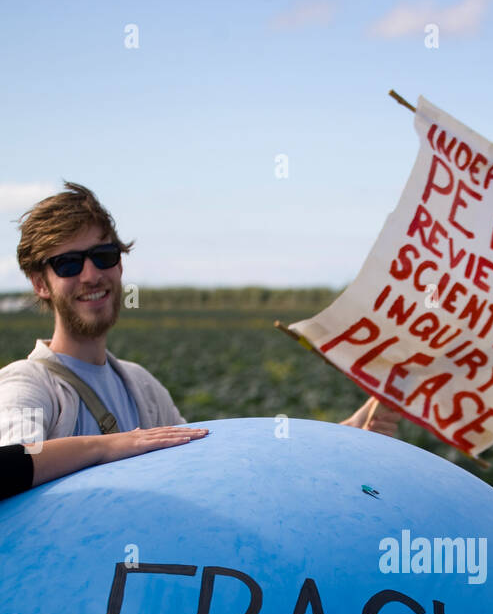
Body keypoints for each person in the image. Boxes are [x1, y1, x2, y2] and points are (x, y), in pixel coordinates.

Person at [0, 181, 399, 448]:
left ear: (119, 267)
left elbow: (210, 463)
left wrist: (344, 436)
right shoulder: (28, 384)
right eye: (68, 264)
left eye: (103, 256)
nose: (91, 275)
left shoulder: (141, 387)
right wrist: (114, 447)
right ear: (39, 283)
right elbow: (15, 468)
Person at [0, 426, 209, 503]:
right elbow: (21, 463)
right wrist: (101, 446)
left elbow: (20, 463)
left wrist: (102, 445)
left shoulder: (138, 379)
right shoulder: (26, 385)